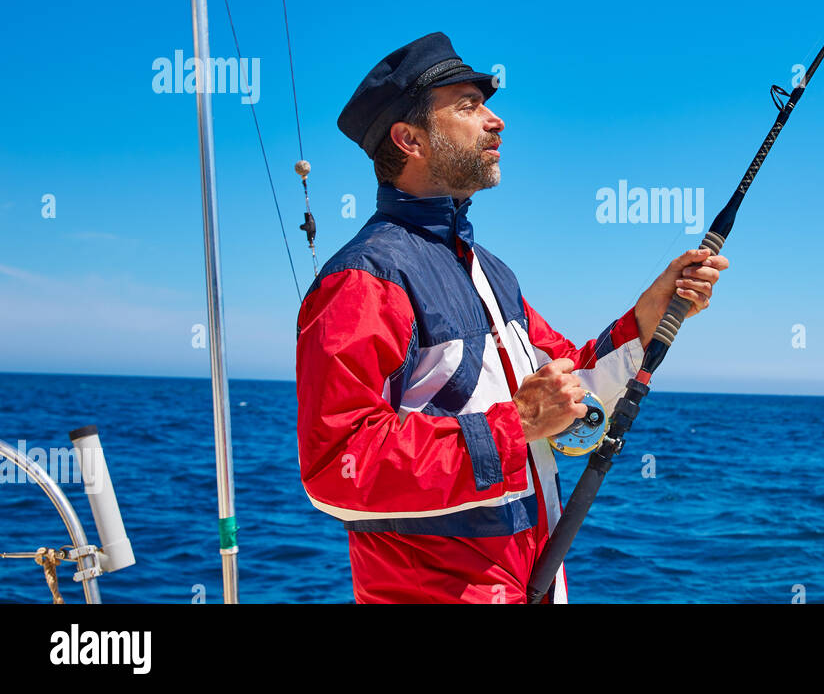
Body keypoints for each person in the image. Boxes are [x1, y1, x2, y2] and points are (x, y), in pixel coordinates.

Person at [295, 32, 728, 603]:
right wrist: (517, 422)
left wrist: (651, 313)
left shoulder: (492, 273)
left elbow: (570, 383)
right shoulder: (363, 279)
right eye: (469, 106)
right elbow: (337, 466)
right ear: (409, 139)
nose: (496, 121)